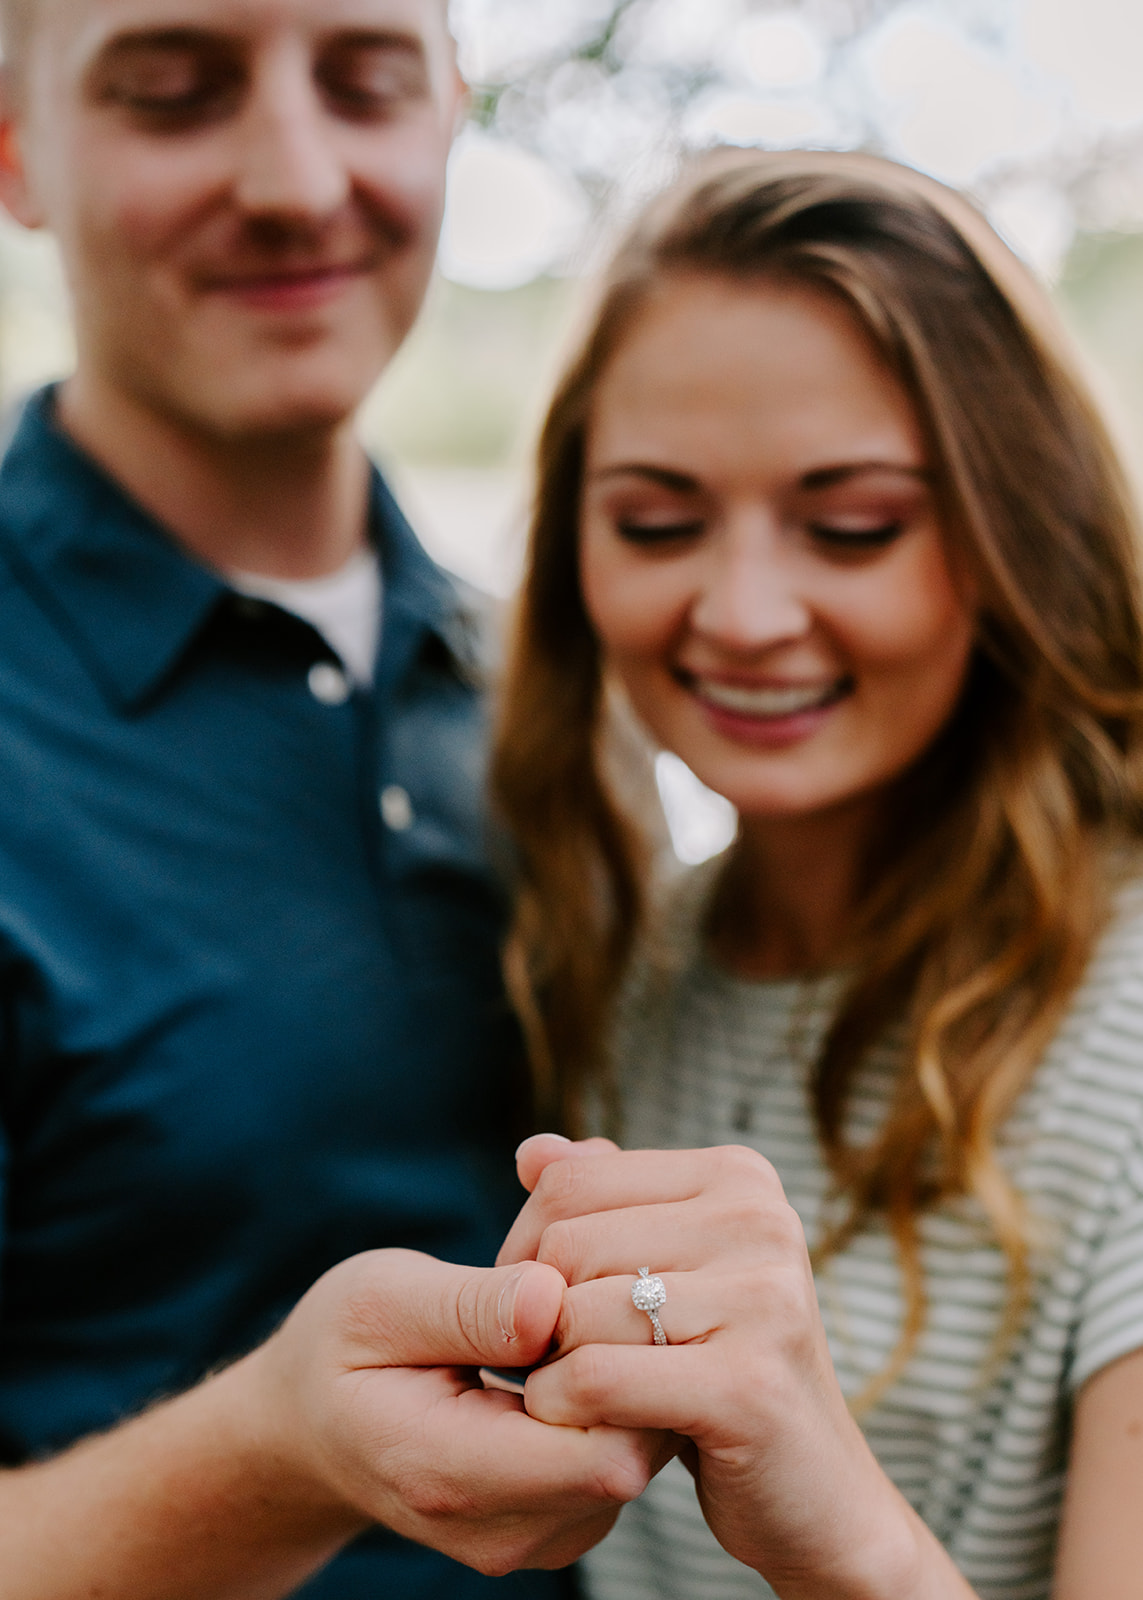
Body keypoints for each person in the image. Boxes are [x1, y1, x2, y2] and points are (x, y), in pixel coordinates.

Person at [0, 0, 666, 1593]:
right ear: (17, 151)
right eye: (176, 93)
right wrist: (277, 1454)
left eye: (365, 83)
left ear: (451, 111)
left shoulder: (562, 703)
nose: (297, 183)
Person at [491, 149, 1143, 1600]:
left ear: (1017, 527)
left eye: (853, 525)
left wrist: (831, 1516)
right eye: (656, 522)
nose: (743, 612)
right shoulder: (634, 975)